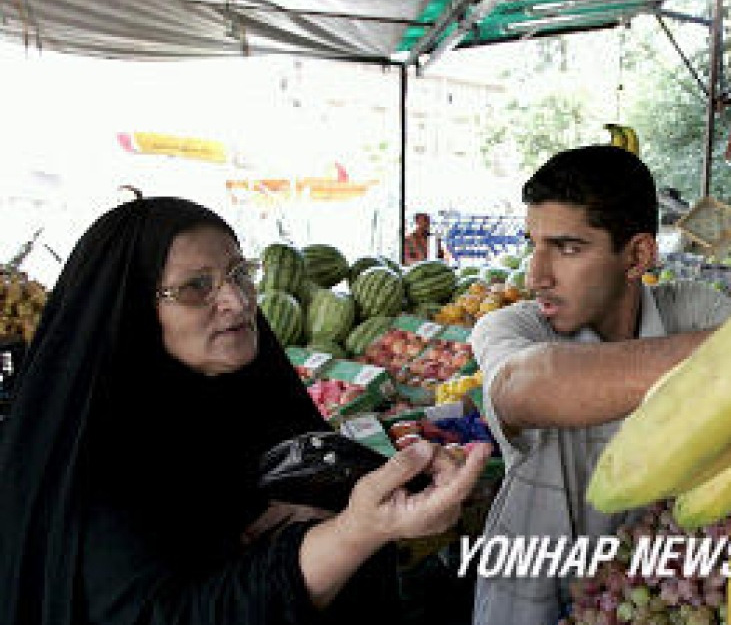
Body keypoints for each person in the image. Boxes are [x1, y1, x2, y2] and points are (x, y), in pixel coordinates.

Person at [0, 196, 490, 625]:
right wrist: (353, 532)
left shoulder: (255, 395)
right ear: (132, 312)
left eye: (240, 273)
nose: (236, 300)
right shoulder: (99, 458)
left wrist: (409, 482)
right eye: (195, 287)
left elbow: (320, 475)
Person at [469, 146, 731, 625]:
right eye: (533, 244)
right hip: (530, 601)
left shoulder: (691, 311)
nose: (536, 276)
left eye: (568, 248)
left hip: (660, 599)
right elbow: (527, 387)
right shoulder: (511, 328)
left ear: (636, 255)